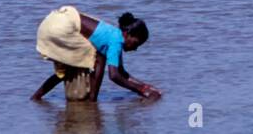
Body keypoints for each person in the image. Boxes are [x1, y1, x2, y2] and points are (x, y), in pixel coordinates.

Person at [31, 6, 161, 102]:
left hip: (52, 22)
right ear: (127, 34)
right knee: (99, 57)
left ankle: (36, 97)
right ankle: (92, 99)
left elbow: (122, 73)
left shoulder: (113, 35)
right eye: (136, 43)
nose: (135, 48)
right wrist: (141, 90)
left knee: (67, 70)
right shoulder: (116, 42)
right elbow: (114, 75)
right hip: (62, 28)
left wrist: (145, 86)